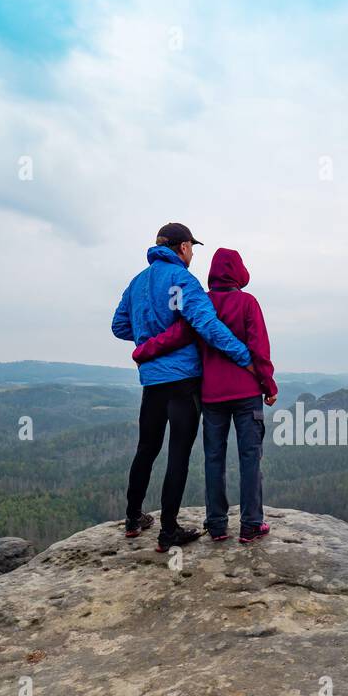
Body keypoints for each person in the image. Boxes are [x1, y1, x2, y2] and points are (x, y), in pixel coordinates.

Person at [112, 223, 253, 550]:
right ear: (183, 247)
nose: (191, 253)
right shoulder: (183, 280)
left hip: (152, 382)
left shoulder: (138, 282)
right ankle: (168, 531)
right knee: (177, 454)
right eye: (191, 247)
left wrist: (148, 337)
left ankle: (133, 519)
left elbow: (119, 325)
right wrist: (244, 356)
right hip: (184, 380)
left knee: (146, 448)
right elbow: (207, 325)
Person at [132, 247, 276, 543]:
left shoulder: (201, 302)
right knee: (250, 457)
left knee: (214, 458)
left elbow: (177, 335)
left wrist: (143, 350)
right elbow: (259, 349)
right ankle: (250, 525)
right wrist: (268, 385)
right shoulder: (248, 302)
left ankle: (218, 525)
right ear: (238, 271)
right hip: (247, 393)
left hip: (211, 394)